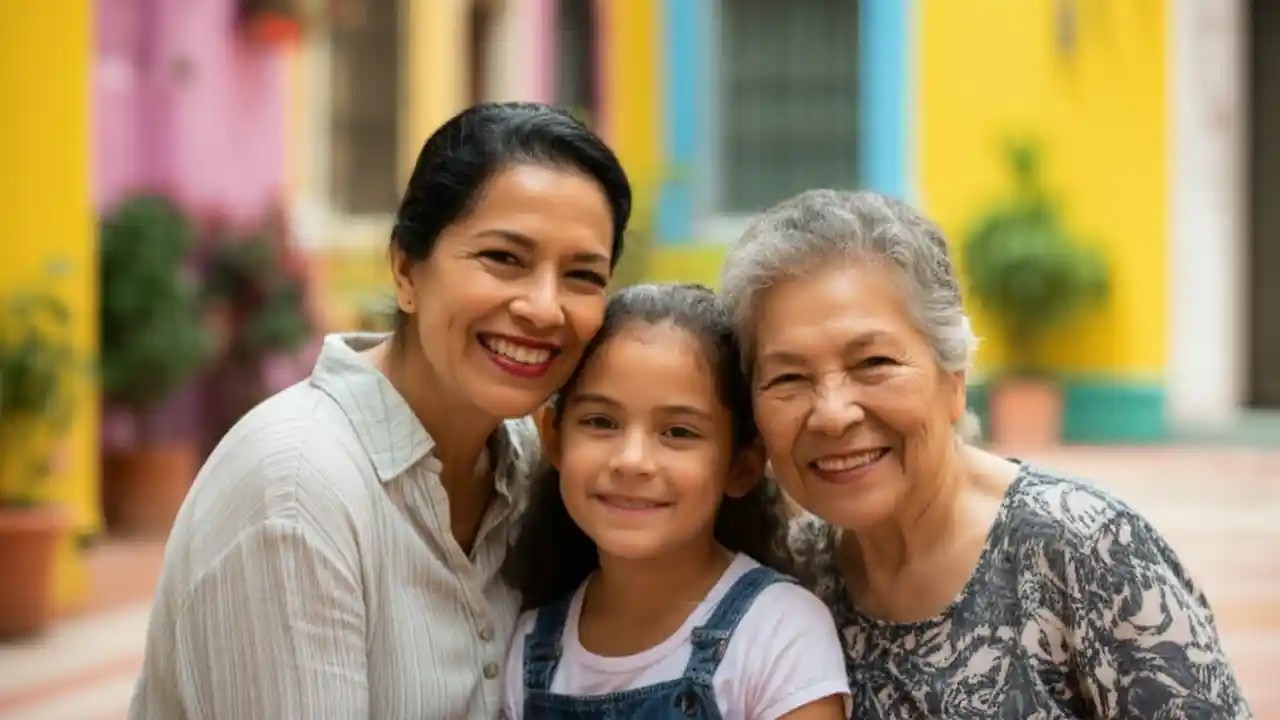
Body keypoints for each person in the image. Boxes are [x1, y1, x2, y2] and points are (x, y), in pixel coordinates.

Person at [129, 102, 632, 719]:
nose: (544, 308)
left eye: (583, 275)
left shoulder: (534, 466)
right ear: (405, 271)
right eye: (504, 258)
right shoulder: (298, 489)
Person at [718, 189, 1251, 719]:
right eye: (788, 377)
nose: (833, 413)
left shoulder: (1085, 551)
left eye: (873, 362)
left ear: (954, 377)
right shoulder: (791, 571)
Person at [501, 283, 851, 720]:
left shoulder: (778, 632)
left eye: (678, 432)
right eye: (601, 422)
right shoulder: (531, 645)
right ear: (555, 439)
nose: (632, 461)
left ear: (741, 466)